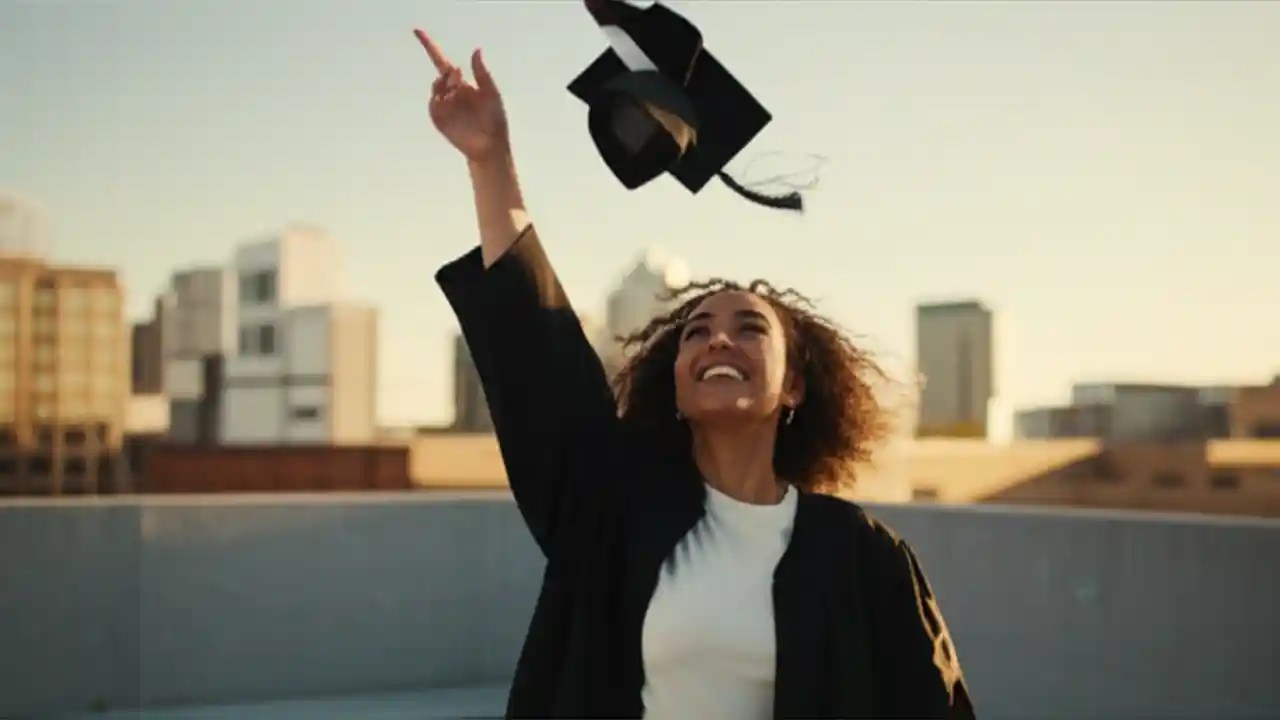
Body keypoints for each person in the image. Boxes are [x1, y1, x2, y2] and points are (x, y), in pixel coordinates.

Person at [415, 27, 976, 720]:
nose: (718, 341)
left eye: (749, 329)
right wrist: (490, 160)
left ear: (794, 385)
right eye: (697, 332)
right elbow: (539, 351)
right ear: (674, 383)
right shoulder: (614, 508)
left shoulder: (862, 555)